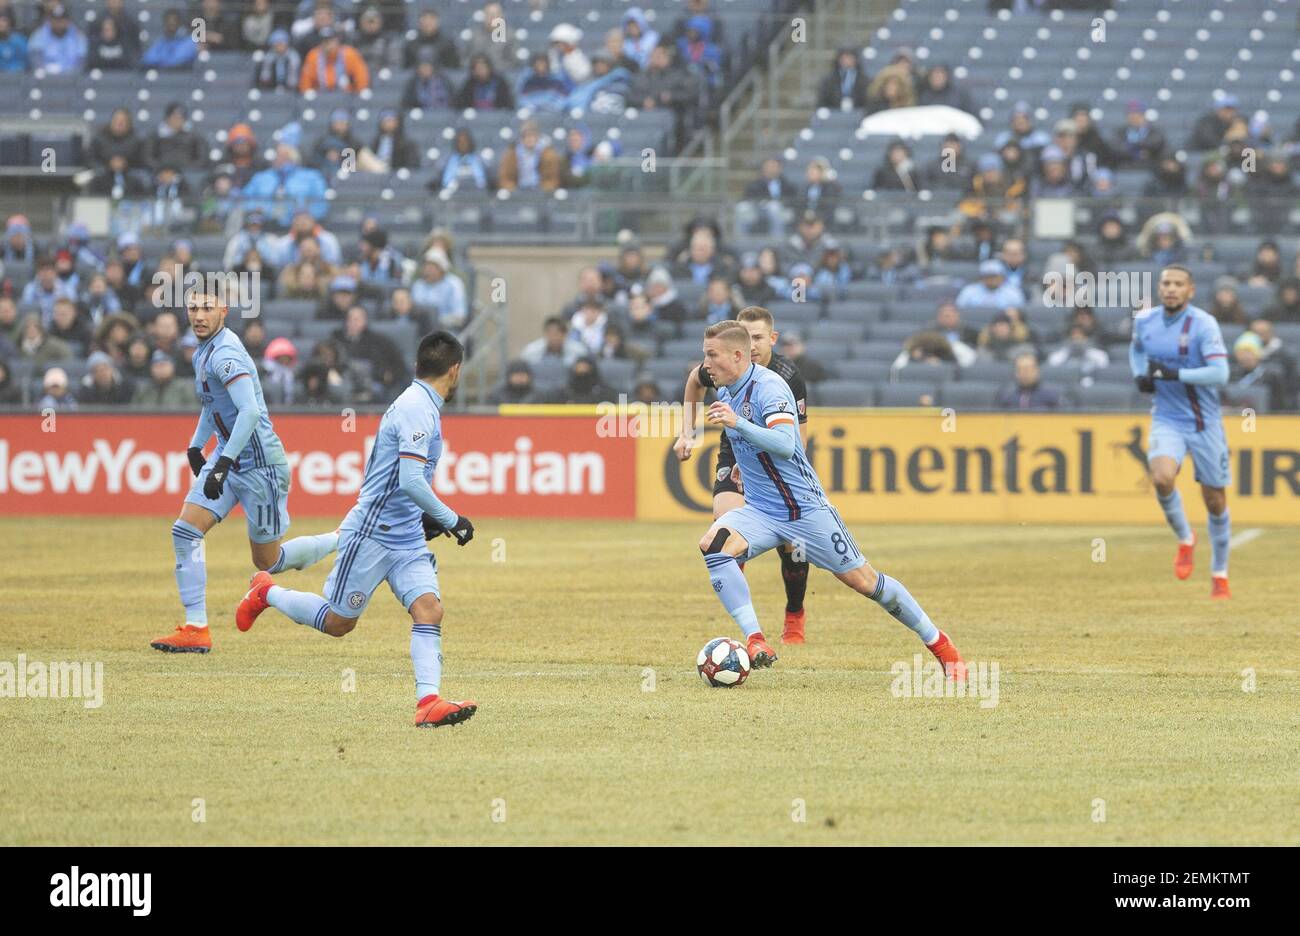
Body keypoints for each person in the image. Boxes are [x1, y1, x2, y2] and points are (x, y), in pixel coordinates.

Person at [684, 319, 966, 676]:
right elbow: (694, 381)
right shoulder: (722, 382)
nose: (705, 365)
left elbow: (787, 445)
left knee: (865, 582)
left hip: (805, 511)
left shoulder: (771, 388)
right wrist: (689, 433)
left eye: (712, 356)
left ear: (738, 356)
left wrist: (738, 425)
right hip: (760, 511)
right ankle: (755, 639)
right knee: (714, 545)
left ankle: (941, 645)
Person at [235, 332, 479, 729]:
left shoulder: (421, 404)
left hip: (404, 535)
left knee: (429, 610)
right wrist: (453, 520)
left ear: (419, 366)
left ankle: (428, 702)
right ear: (455, 370)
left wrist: (423, 519)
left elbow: (407, 483)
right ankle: (267, 592)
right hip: (373, 532)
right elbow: (411, 481)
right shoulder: (418, 408)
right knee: (338, 623)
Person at [149, 291, 339, 654]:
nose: (199, 316)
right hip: (229, 455)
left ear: (224, 310)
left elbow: (249, 412)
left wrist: (221, 463)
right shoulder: (204, 350)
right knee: (185, 531)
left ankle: (339, 539)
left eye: (207, 308)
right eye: (193, 308)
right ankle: (196, 628)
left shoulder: (226, 354)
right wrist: (195, 445)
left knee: (268, 561)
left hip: (259, 467)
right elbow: (212, 404)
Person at [673, 307, 813, 644]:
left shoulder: (786, 377)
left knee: (794, 547)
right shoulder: (724, 367)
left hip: (779, 464)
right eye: (745, 338)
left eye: (758, 338)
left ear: (772, 339)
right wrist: (687, 432)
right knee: (725, 523)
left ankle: (795, 612)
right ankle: (749, 627)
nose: (751, 346)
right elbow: (695, 381)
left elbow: (797, 437)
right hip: (735, 452)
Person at [1130, 265, 1233, 599]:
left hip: (1204, 422)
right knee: (1161, 477)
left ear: (1190, 290)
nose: (1170, 289)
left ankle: (1220, 574)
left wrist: (1175, 375)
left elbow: (1220, 374)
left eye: (1178, 284)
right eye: (1165, 283)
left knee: (1215, 500)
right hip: (1167, 418)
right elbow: (1136, 349)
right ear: (1159, 288)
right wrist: (1138, 375)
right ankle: (1186, 539)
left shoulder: (1203, 324)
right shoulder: (1145, 321)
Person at [995, 353, 1062, 411]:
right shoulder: (1006, 395)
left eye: (1028, 369)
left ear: (1037, 371)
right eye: (1020, 370)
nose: (1024, 374)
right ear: (1015, 373)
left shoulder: (1052, 396)